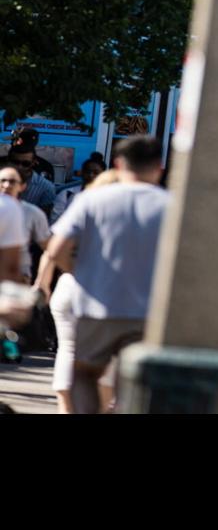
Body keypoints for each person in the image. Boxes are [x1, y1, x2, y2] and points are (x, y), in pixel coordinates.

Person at [42, 137, 170, 415]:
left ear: (119, 164)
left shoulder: (91, 199)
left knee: (86, 374)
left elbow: (56, 248)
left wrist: (77, 273)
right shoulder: (171, 205)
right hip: (145, 312)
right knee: (134, 382)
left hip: (95, 307)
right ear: (159, 167)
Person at [36, 169, 124, 414]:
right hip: (105, 292)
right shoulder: (127, 218)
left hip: (69, 287)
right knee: (108, 359)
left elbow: (53, 250)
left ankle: (66, 408)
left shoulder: (84, 207)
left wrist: (44, 283)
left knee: (68, 349)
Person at [0, 167, 52, 283]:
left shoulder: (33, 213)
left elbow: (50, 249)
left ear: (23, 186)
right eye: (2, 180)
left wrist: (42, 282)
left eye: (12, 181)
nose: (7, 185)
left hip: (17, 278)